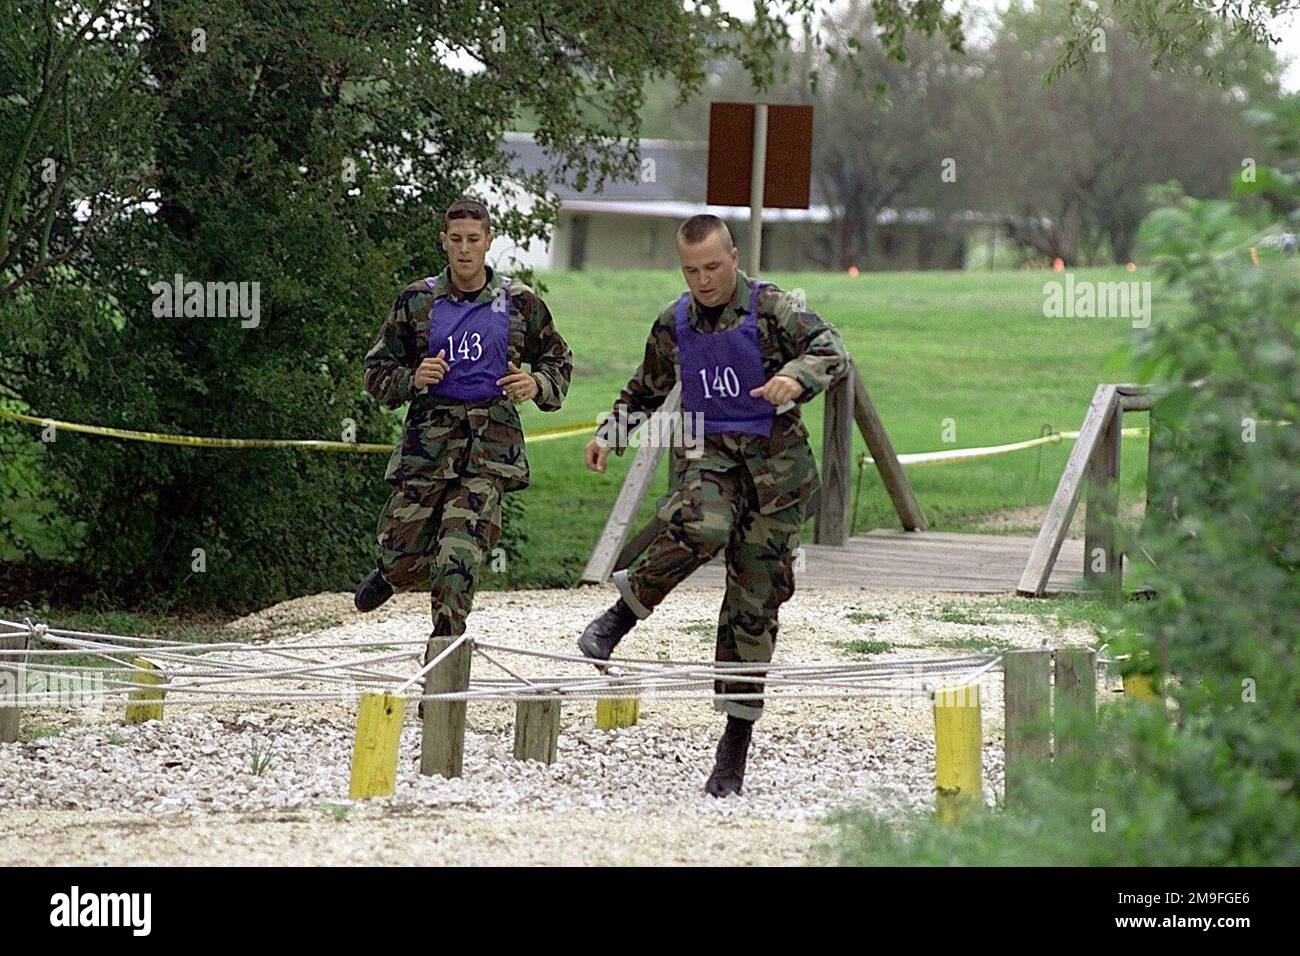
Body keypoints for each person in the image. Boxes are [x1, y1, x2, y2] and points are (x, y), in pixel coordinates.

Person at [579, 214, 848, 797]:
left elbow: (833, 350)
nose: (703, 280)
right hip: (706, 455)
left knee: (752, 605)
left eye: (713, 267)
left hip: (776, 476)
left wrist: (797, 378)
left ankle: (733, 748)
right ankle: (618, 618)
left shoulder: (775, 308)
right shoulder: (673, 322)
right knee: (701, 524)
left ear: (733, 257)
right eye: (691, 270)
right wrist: (610, 433)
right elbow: (645, 388)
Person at [356, 198, 572, 649]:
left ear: (489, 241)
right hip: (427, 447)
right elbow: (376, 372)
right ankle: (391, 572)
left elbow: (558, 359)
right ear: (444, 242)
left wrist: (535, 384)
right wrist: (412, 377)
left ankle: (443, 667)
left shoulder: (520, 303)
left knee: (458, 557)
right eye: (456, 240)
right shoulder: (416, 301)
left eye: (474, 240)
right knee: (401, 552)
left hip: (489, 451)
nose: (465, 249)